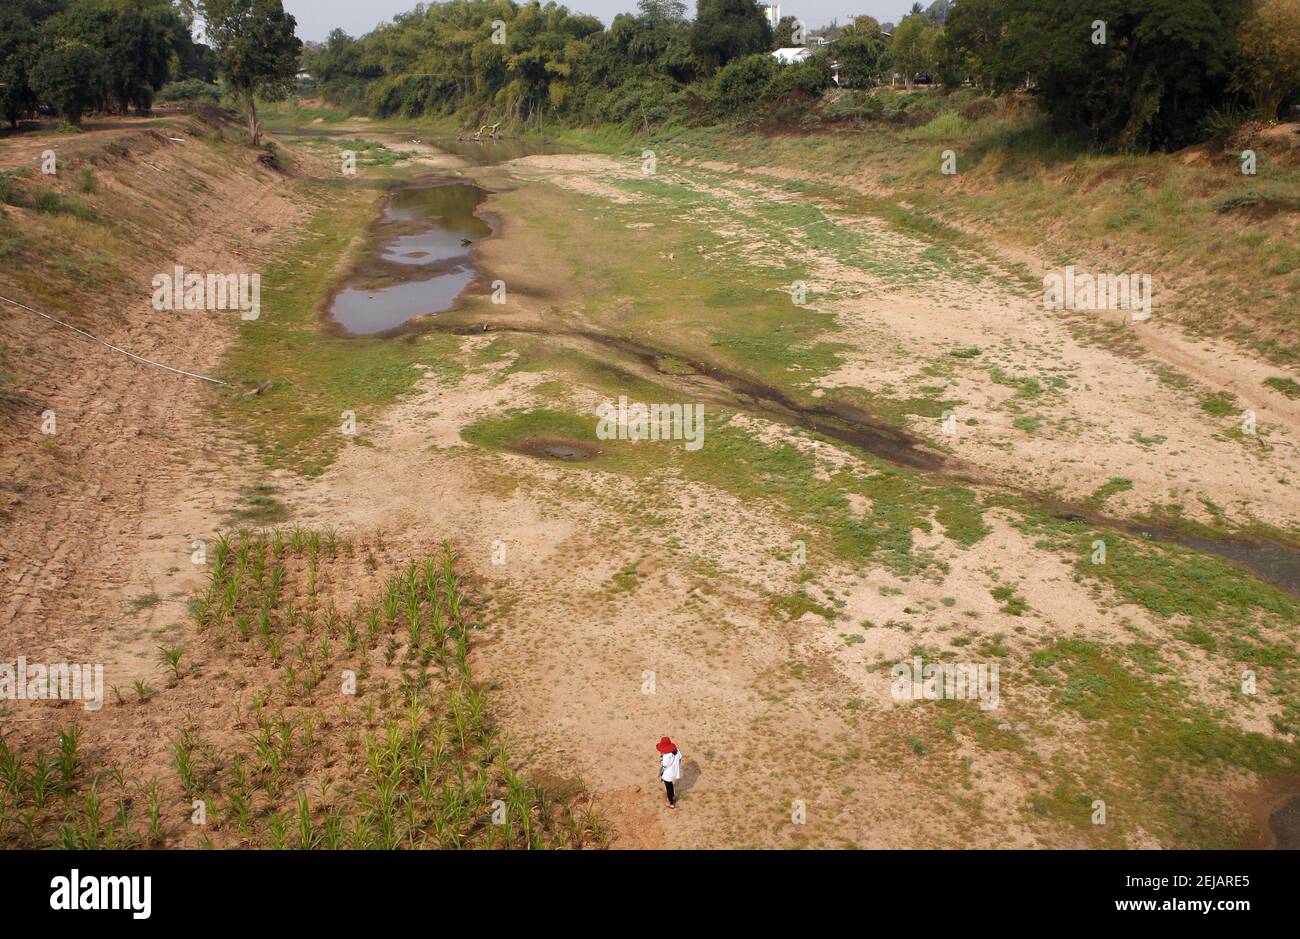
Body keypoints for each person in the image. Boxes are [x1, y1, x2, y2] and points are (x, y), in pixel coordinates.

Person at [657, 736, 682, 808]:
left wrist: (661, 757)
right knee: (671, 784)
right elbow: (680, 758)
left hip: (668, 774)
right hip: (674, 771)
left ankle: (671, 803)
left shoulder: (665, 756)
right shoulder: (677, 750)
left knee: (668, 788)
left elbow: (664, 765)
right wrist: (677, 766)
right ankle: (673, 796)